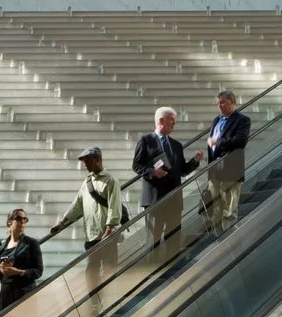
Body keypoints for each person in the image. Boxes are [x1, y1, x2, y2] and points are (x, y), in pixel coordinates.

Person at [133, 106, 195, 241]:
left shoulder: (177, 145)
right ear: (161, 121)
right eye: (172, 120)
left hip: (174, 200)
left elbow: (183, 170)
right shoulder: (145, 141)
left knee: (173, 240)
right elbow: (136, 165)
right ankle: (153, 263)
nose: (174, 123)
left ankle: (173, 263)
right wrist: (153, 172)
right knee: (153, 240)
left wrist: (195, 161)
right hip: (155, 199)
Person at [50, 146, 128, 249]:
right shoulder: (87, 183)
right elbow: (76, 205)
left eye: (88, 160)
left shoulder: (111, 181)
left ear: (98, 160)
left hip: (107, 236)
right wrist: (61, 223)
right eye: (84, 161)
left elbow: (114, 208)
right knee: (91, 265)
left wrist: (108, 231)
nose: (85, 164)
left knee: (109, 265)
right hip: (90, 237)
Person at [197, 90, 252, 227]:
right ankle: (218, 240)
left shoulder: (242, 120)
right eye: (217, 103)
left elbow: (240, 141)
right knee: (215, 208)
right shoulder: (216, 120)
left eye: (222, 102)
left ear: (232, 102)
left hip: (231, 170)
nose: (219, 106)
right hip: (214, 170)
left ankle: (230, 239)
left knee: (229, 210)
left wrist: (217, 142)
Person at [0, 209, 43, 307]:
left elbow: (38, 271)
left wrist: (18, 271)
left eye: (25, 219)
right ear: (10, 221)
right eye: (18, 218)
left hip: (25, 293)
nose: (22, 221)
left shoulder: (31, 243)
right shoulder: (1, 244)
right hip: (6, 294)